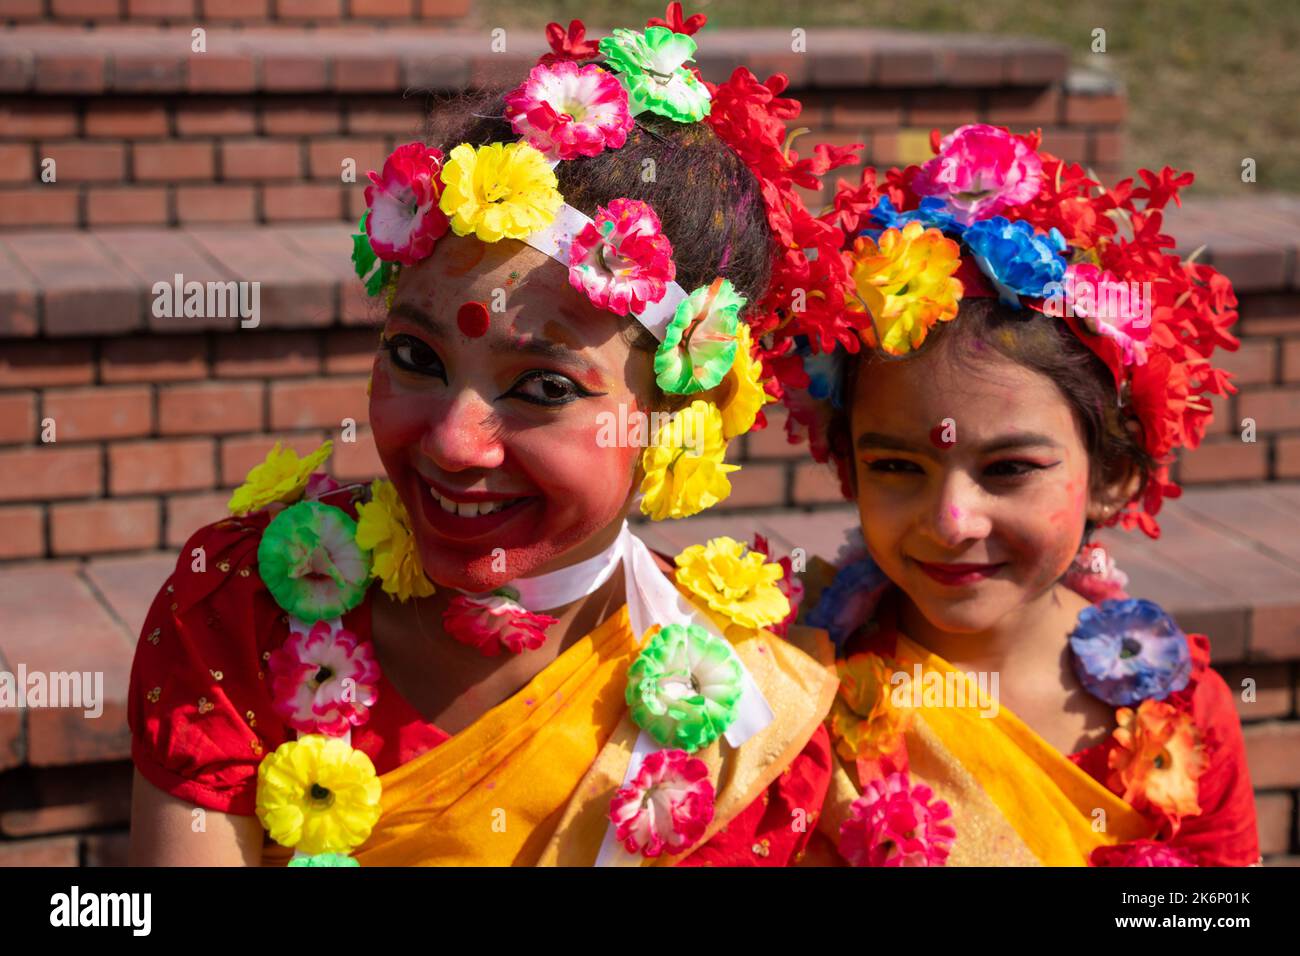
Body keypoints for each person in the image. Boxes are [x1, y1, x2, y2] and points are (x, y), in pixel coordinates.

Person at [126, 8, 858, 867]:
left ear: (675, 414)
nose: (451, 443)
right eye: (415, 356)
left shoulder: (740, 723)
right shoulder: (239, 615)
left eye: (543, 387)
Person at [777, 123, 1259, 865]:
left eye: (1008, 469)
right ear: (847, 467)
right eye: (898, 468)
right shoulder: (793, 687)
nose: (952, 522)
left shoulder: (1184, 712)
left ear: (1114, 475)